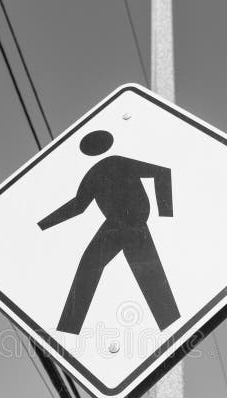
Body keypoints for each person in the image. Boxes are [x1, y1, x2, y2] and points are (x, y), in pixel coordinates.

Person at [38, 129, 180, 335]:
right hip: (114, 226)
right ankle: (67, 330)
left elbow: (161, 173)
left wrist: (166, 215)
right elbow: (78, 206)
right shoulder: (93, 174)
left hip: (134, 224)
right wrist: (43, 225)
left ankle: (171, 324)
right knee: (91, 264)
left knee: (148, 272)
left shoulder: (117, 162)